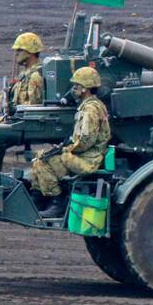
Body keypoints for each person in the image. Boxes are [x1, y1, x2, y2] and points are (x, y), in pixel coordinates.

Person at [30, 67, 110, 217]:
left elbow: (86, 140)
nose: (73, 90)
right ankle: (38, 199)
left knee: (44, 162)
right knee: (40, 156)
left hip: (89, 159)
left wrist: (67, 149)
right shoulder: (89, 106)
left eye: (76, 86)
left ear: (85, 89)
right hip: (85, 154)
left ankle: (57, 202)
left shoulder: (90, 109)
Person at [0, 32, 47, 172]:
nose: (16, 54)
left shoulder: (36, 76)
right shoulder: (25, 74)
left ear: (30, 52)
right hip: (16, 119)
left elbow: (34, 108)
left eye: (19, 50)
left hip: (25, 123)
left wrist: (13, 108)